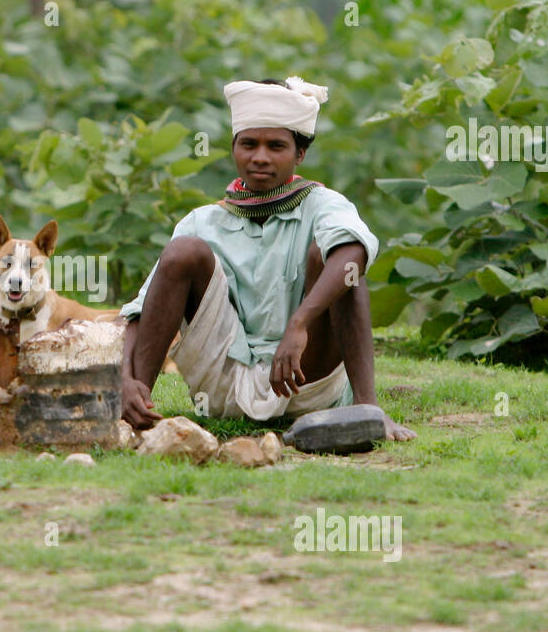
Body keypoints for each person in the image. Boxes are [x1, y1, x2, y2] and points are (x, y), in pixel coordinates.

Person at [118, 75, 415, 441]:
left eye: (276, 146)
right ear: (234, 148)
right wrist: (125, 380)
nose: (260, 157)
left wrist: (299, 325)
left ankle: (369, 411)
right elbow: (139, 311)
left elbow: (353, 255)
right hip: (221, 387)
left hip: (307, 381)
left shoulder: (325, 205)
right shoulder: (202, 220)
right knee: (183, 252)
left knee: (342, 257)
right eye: (249, 144)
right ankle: (135, 410)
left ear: (299, 154)